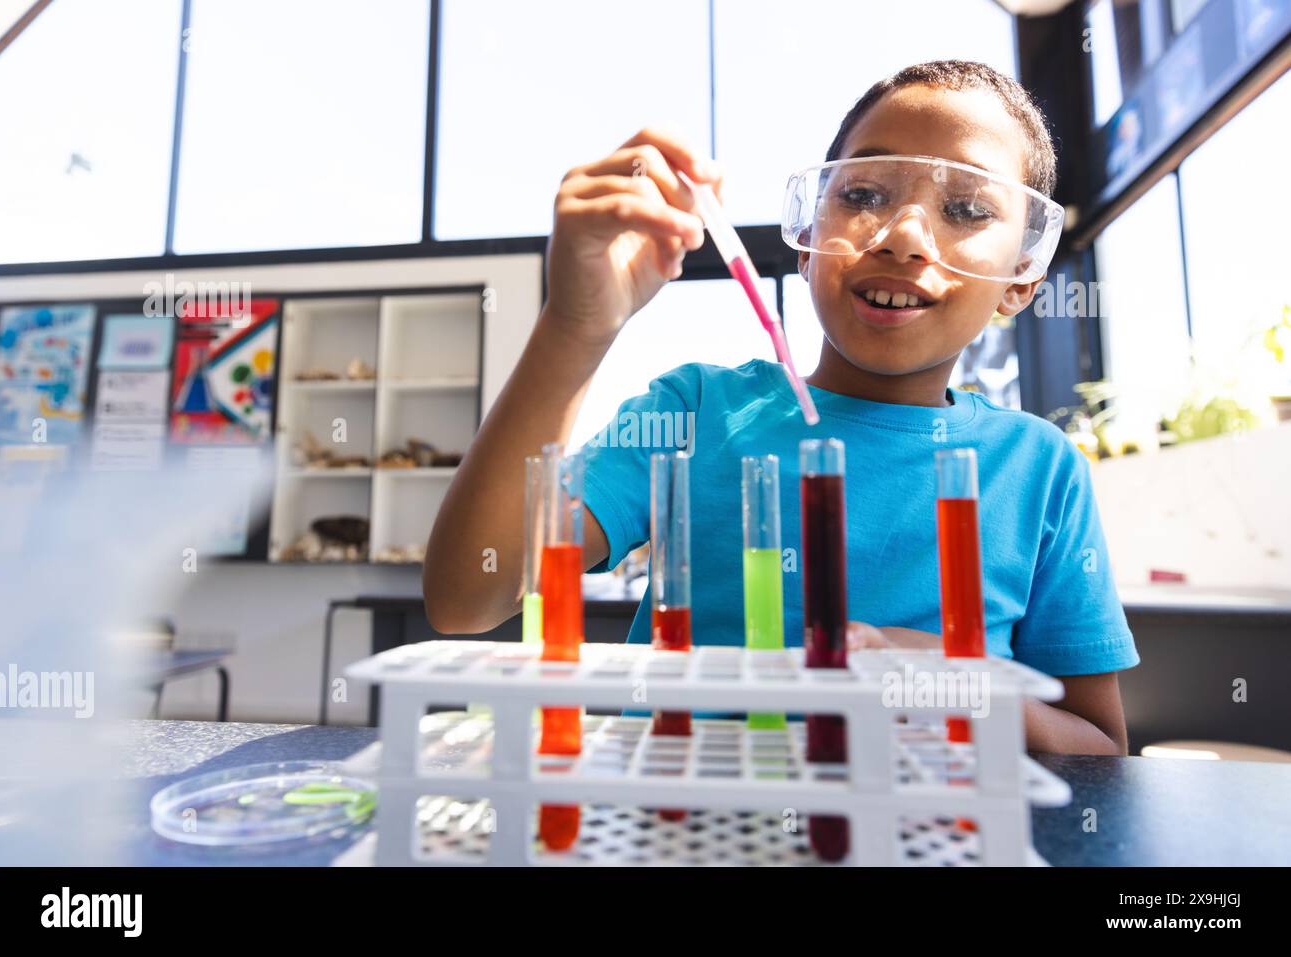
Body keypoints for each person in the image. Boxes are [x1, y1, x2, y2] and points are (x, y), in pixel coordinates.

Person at [424, 60, 1137, 755]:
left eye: (967, 209)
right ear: (807, 238)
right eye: (863, 194)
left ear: (1021, 276)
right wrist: (575, 325)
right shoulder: (697, 412)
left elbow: (1098, 743)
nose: (902, 236)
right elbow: (467, 594)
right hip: (677, 831)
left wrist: (970, 688)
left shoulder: (1041, 469)